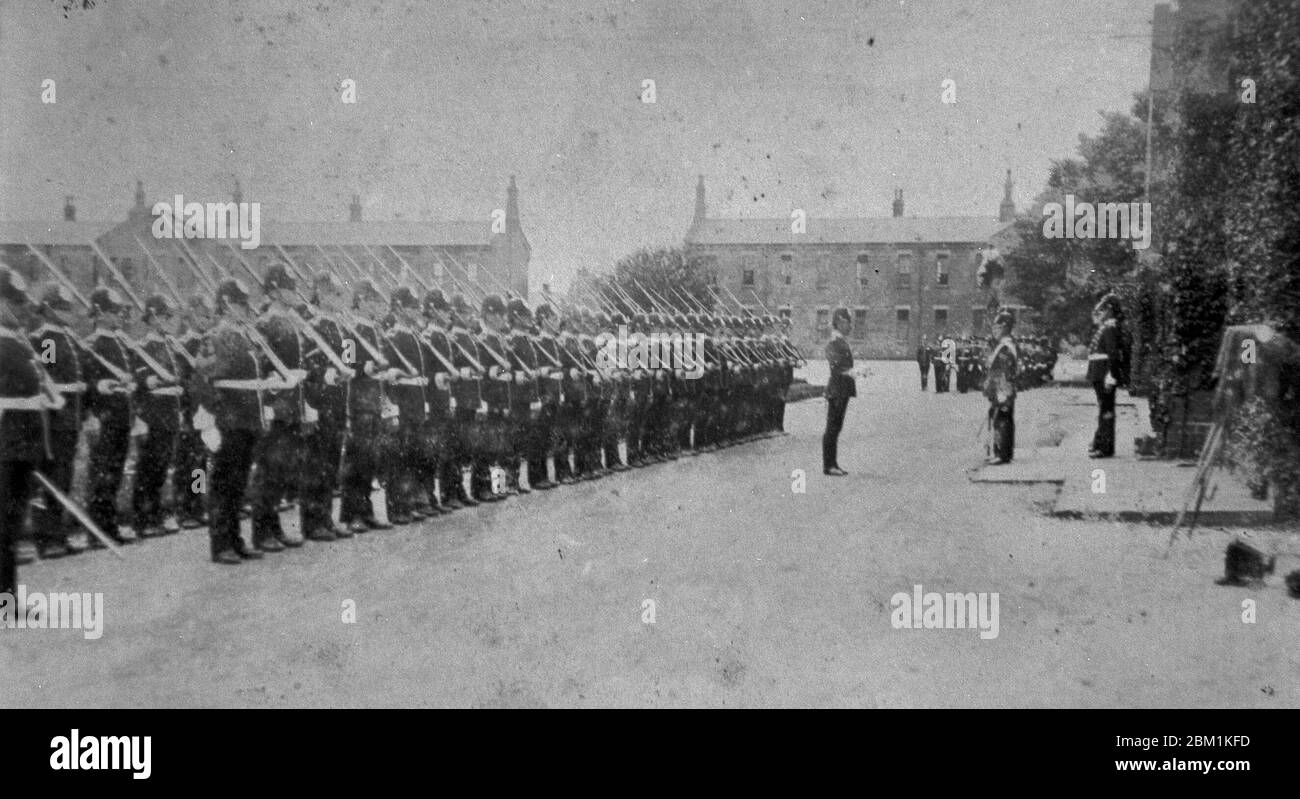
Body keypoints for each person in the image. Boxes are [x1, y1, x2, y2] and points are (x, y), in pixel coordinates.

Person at [0, 266, 62, 597]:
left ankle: (6, 597)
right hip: (6, 443)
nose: (21, 307)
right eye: (12, 301)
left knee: (10, 525)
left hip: (21, 444)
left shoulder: (18, 342)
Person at [1086, 293, 1129, 458]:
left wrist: (1111, 374)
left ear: (1110, 310)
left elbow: (1112, 353)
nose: (1100, 312)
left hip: (1104, 373)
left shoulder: (1110, 327)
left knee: (1106, 410)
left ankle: (1104, 447)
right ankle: (1101, 442)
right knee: (1104, 409)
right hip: (1100, 373)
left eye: (1103, 309)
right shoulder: (1107, 326)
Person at [822, 307, 855, 476]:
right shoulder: (834, 342)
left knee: (836, 427)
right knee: (832, 428)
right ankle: (829, 465)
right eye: (848, 322)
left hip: (841, 389)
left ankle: (833, 463)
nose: (850, 326)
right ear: (840, 322)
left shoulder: (840, 341)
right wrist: (852, 372)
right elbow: (836, 367)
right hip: (837, 389)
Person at [984, 309, 1018, 464]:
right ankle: (1004, 453)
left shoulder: (1005, 347)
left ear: (1004, 328)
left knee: (1001, 420)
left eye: (996, 328)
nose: (994, 331)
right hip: (1001, 389)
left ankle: (1002, 454)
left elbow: (1004, 371)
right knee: (1002, 418)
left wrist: (1000, 392)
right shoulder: (1003, 345)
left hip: (1003, 389)